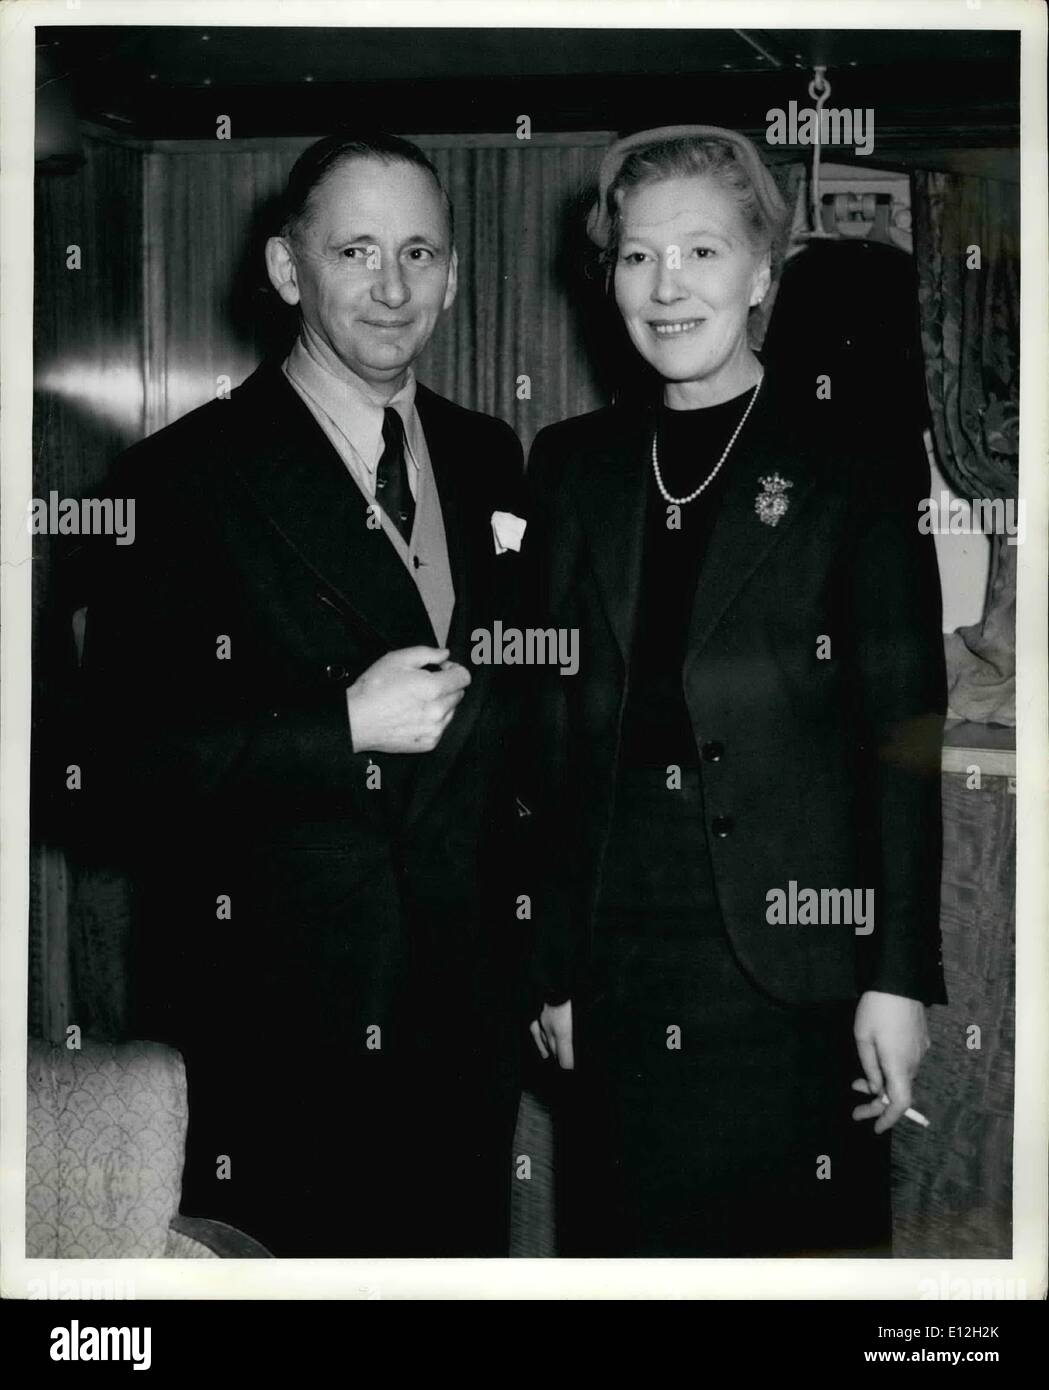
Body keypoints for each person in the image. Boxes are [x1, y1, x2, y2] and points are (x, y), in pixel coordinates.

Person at [77, 133, 525, 1256]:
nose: (392, 287)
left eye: (419, 252)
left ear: (452, 275)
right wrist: (339, 729)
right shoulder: (178, 480)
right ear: (287, 269)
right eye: (355, 251)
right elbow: (111, 774)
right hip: (273, 1022)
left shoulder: (491, 457)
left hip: (464, 1017)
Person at [522, 125, 947, 1257]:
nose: (667, 287)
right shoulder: (570, 466)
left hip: (794, 972)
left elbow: (903, 735)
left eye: (701, 252)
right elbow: (550, 739)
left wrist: (896, 979)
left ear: (761, 275)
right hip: (619, 963)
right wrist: (551, 964)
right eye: (637, 256)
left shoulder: (852, 460)